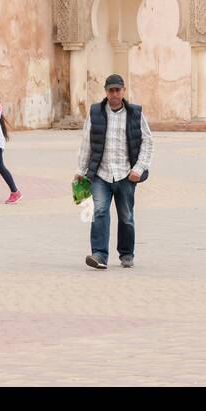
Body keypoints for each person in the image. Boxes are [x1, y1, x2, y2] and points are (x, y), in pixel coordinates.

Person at [75, 73, 154, 270]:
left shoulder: (135, 113)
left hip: (126, 175)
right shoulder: (95, 112)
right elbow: (86, 143)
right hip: (100, 174)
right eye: (111, 90)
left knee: (126, 215)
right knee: (100, 211)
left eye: (118, 90)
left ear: (123, 91)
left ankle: (127, 254)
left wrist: (139, 168)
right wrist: (80, 170)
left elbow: (148, 141)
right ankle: (99, 255)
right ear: (106, 92)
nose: (114, 94)